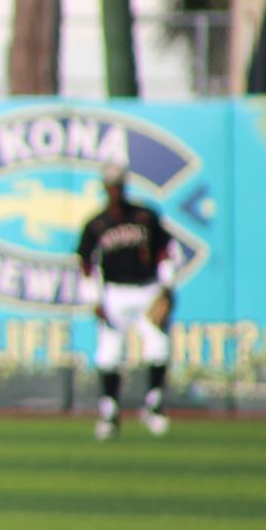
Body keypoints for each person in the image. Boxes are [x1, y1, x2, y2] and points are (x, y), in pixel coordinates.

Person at [76, 158, 178, 440]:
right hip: (114, 292)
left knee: (158, 346)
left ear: (124, 186)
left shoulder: (145, 216)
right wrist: (94, 299)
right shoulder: (97, 224)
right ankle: (109, 411)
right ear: (104, 188)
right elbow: (85, 264)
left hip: (147, 289)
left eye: (118, 186)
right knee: (109, 352)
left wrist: (167, 290)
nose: (115, 192)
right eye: (110, 186)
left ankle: (154, 405)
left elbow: (165, 252)